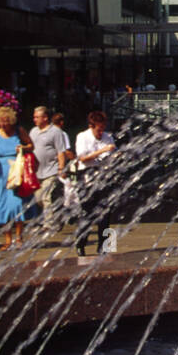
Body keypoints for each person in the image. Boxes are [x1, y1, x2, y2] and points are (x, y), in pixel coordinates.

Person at [0, 106, 33, 249]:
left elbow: (31, 145)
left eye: (6, 121)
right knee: (2, 206)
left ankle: (19, 237)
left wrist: (23, 148)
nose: (4, 124)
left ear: (11, 120)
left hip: (16, 170)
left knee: (16, 205)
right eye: (1, 122)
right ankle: (7, 239)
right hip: (1, 174)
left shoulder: (19, 131)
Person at [73, 111, 116, 261]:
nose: (101, 132)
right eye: (98, 129)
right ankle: (81, 244)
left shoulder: (108, 137)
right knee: (87, 213)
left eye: (103, 128)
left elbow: (112, 154)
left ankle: (105, 246)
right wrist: (102, 151)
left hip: (103, 176)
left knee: (106, 213)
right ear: (91, 126)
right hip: (86, 177)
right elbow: (83, 158)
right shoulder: (82, 137)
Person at [30, 105, 69, 228]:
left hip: (51, 170)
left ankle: (48, 224)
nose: (34, 119)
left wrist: (61, 168)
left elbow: (60, 151)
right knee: (38, 199)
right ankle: (56, 215)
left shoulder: (56, 132)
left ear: (45, 118)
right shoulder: (33, 131)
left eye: (37, 117)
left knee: (46, 197)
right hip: (37, 171)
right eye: (34, 117)